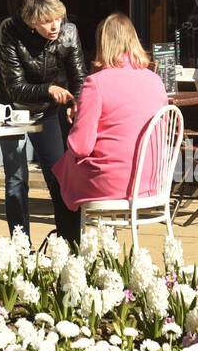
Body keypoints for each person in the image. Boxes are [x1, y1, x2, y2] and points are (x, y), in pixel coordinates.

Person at [52, 13, 169, 245]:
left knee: (60, 172)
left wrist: (77, 122)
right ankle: (102, 247)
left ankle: (72, 250)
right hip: (151, 180)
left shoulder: (96, 83)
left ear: (102, 43)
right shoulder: (155, 80)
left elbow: (80, 147)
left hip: (111, 182)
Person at [0, 0, 86, 243]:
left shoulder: (69, 33)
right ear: (31, 22)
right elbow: (15, 87)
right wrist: (48, 89)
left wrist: (75, 102)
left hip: (47, 109)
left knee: (59, 175)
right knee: (16, 178)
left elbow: (79, 76)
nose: (55, 25)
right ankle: (21, 246)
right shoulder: (10, 31)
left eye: (58, 18)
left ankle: (69, 244)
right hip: (11, 108)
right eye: (47, 21)